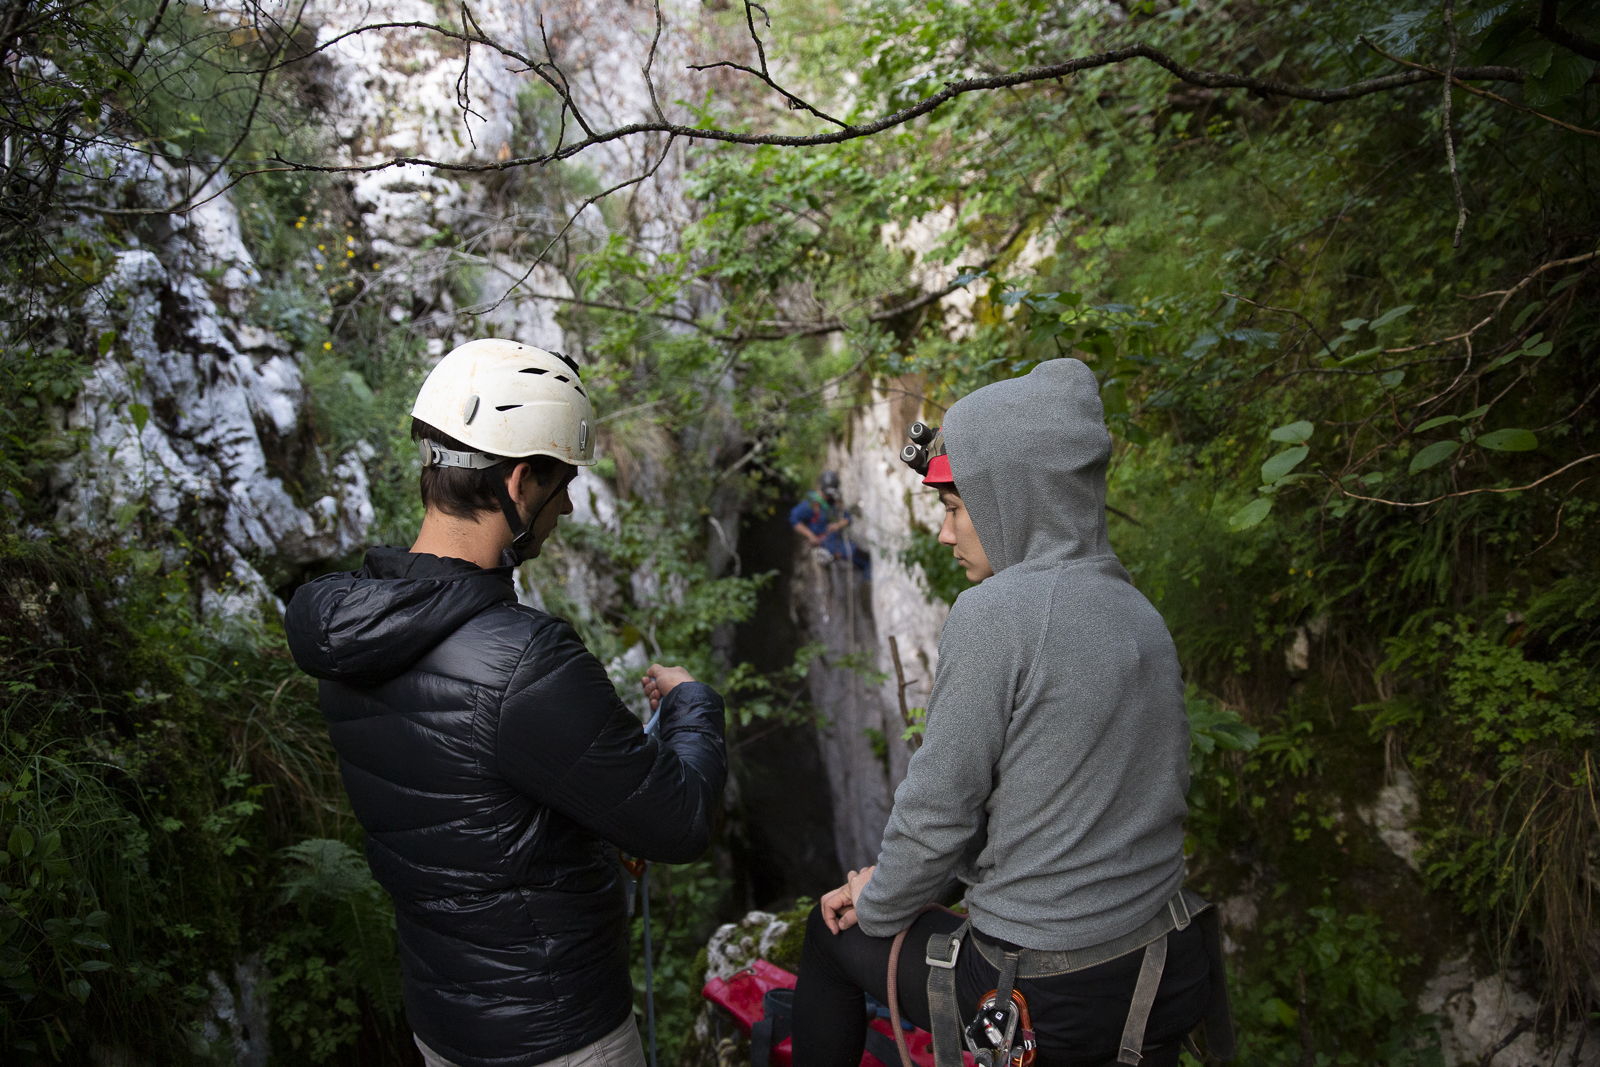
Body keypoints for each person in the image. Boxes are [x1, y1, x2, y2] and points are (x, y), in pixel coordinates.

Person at [284, 339, 728, 1067]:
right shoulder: (524, 660)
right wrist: (693, 704)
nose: (570, 504)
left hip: (444, 1025)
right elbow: (679, 820)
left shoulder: (346, 633)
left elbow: (477, 807)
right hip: (559, 1034)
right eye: (563, 485)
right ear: (519, 483)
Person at [790, 359, 1229, 1067]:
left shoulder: (996, 613)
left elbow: (938, 813)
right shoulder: (1140, 614)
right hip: (1162, 965)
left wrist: (875, 901)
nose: (944, 533)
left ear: (1014, 501)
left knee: (829, 934)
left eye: (956, 509)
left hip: (1049, 994)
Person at [790, 470, 870, 579]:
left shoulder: (833, 501)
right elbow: (794, 519)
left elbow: (847, 518)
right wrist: (810, 536)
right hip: (827, 544)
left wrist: (838, 525)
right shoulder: (810, 504)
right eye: (826, 494)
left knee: (863, 560)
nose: (828, 496)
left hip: (836, 539)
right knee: (863, 558)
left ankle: (867, 580)